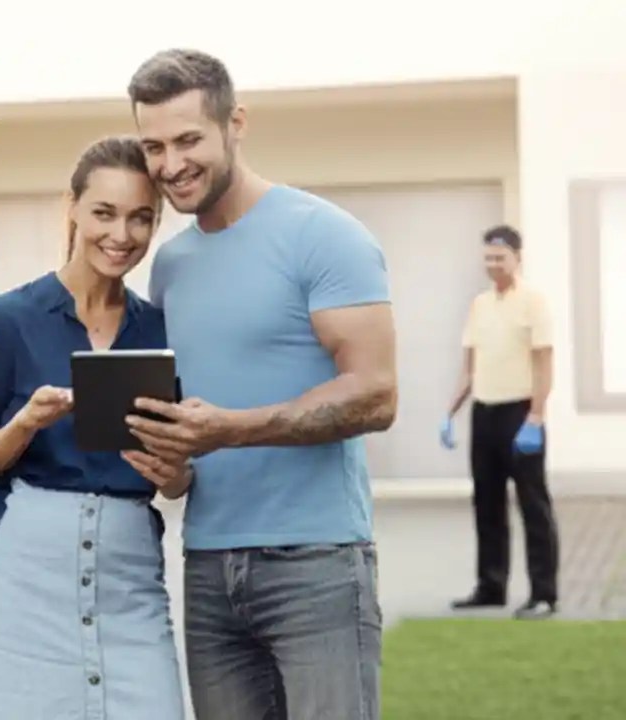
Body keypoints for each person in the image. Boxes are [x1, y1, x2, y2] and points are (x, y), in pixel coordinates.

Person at [121, 49, 397, 719]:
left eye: (188, 140)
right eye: (154, 147)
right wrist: (172, 463)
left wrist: (231, 430)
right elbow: (188, 422)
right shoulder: (170, 265)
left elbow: (376, 393)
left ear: (235, 124)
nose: (170, 164)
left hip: (316, 563)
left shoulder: (323, 235)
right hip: (207, 565)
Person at [0, 135, 190, 719]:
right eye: (104, 213)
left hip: (130, 585)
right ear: (73, 208)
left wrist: (174, 471)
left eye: (140, 218)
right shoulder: (6, 320)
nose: (121, 234)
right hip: (23, 586)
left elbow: (178, 478)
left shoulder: (162, 331)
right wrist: (25, 424)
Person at [441, 224, 559, 620]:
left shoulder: (533, 302)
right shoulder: (480, 304)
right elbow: (469, 368)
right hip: (485, 413)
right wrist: (450, 411)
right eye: (488, 258)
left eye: (500, 258)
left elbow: (544, 365)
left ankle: (544, 594)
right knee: (486, 502)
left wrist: (536, 416)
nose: (493, 264)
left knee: (533, 505)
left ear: (516, 258)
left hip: (520, 413)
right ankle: (491, 586)